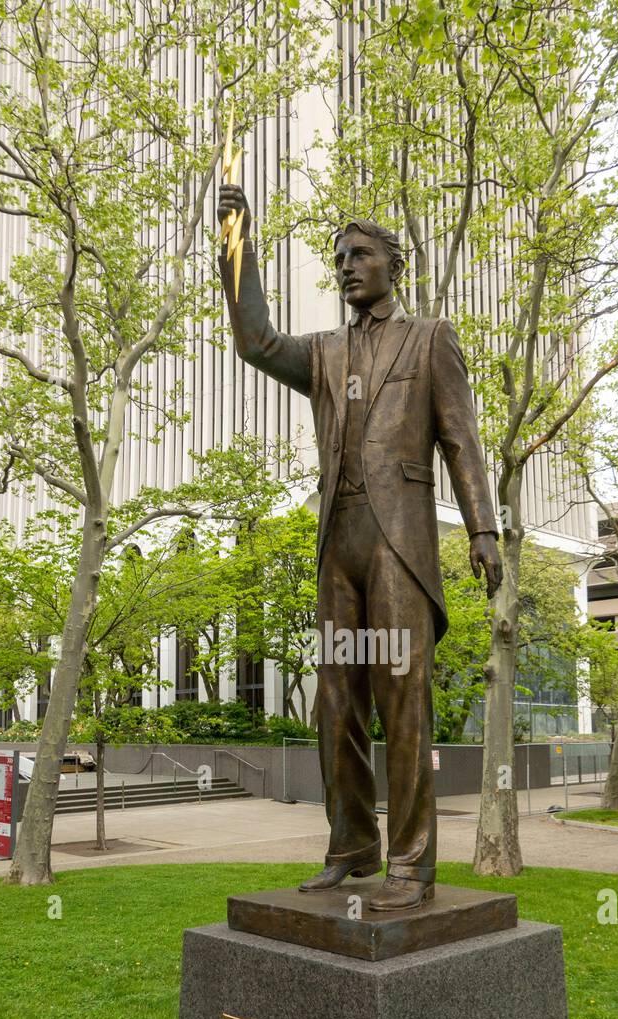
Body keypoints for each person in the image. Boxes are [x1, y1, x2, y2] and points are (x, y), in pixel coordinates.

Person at [217, 183, 501, 911]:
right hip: (338, 548)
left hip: (398, 548)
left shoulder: (430, 339)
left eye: (360, 255)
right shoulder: (324, 352)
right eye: (339, 257)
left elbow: (461, 440)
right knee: (336, 702)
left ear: (391, 267)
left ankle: (412, 864)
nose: (346, 266)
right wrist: (236, 244)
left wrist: (483, 529)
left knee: (402, 700)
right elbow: (256, 342)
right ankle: (351, 845)